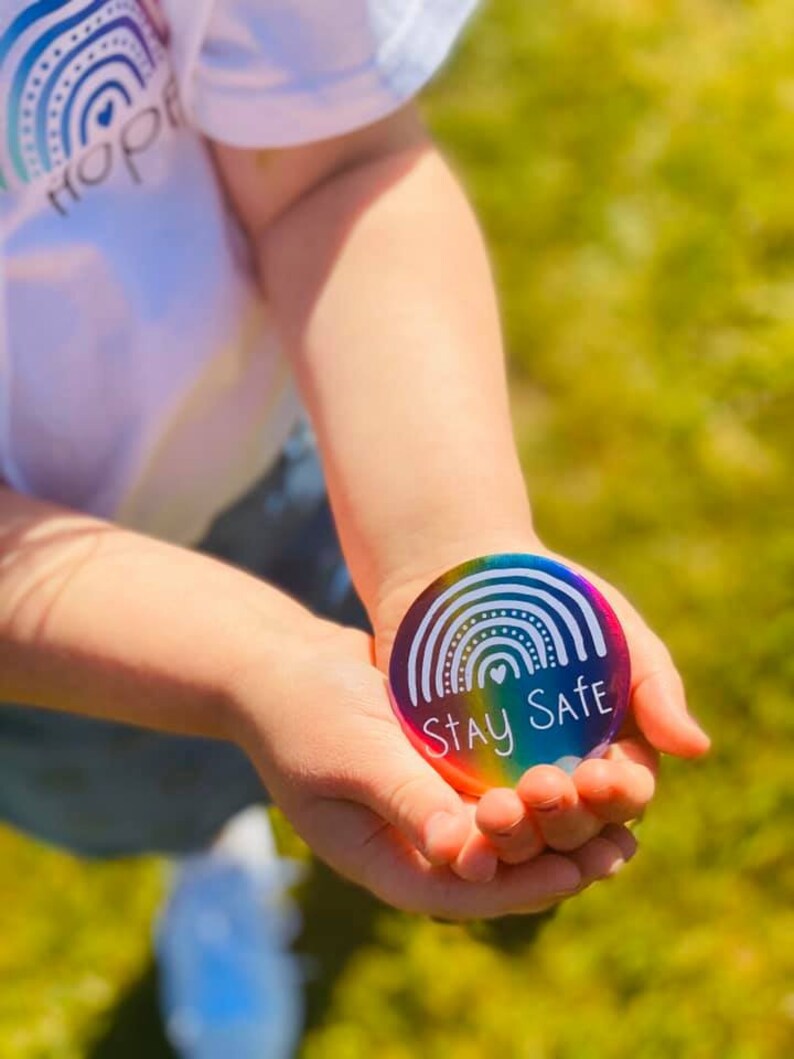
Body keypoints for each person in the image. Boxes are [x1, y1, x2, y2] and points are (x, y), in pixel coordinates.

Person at [0, 0, 711, 1052]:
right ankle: (212, 855)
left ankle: (261, 805)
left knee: (373, 708)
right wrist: (256, 666)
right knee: (143, 790)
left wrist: (451, 561)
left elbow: (331, 170)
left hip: (304, 468)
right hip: (60, 654)